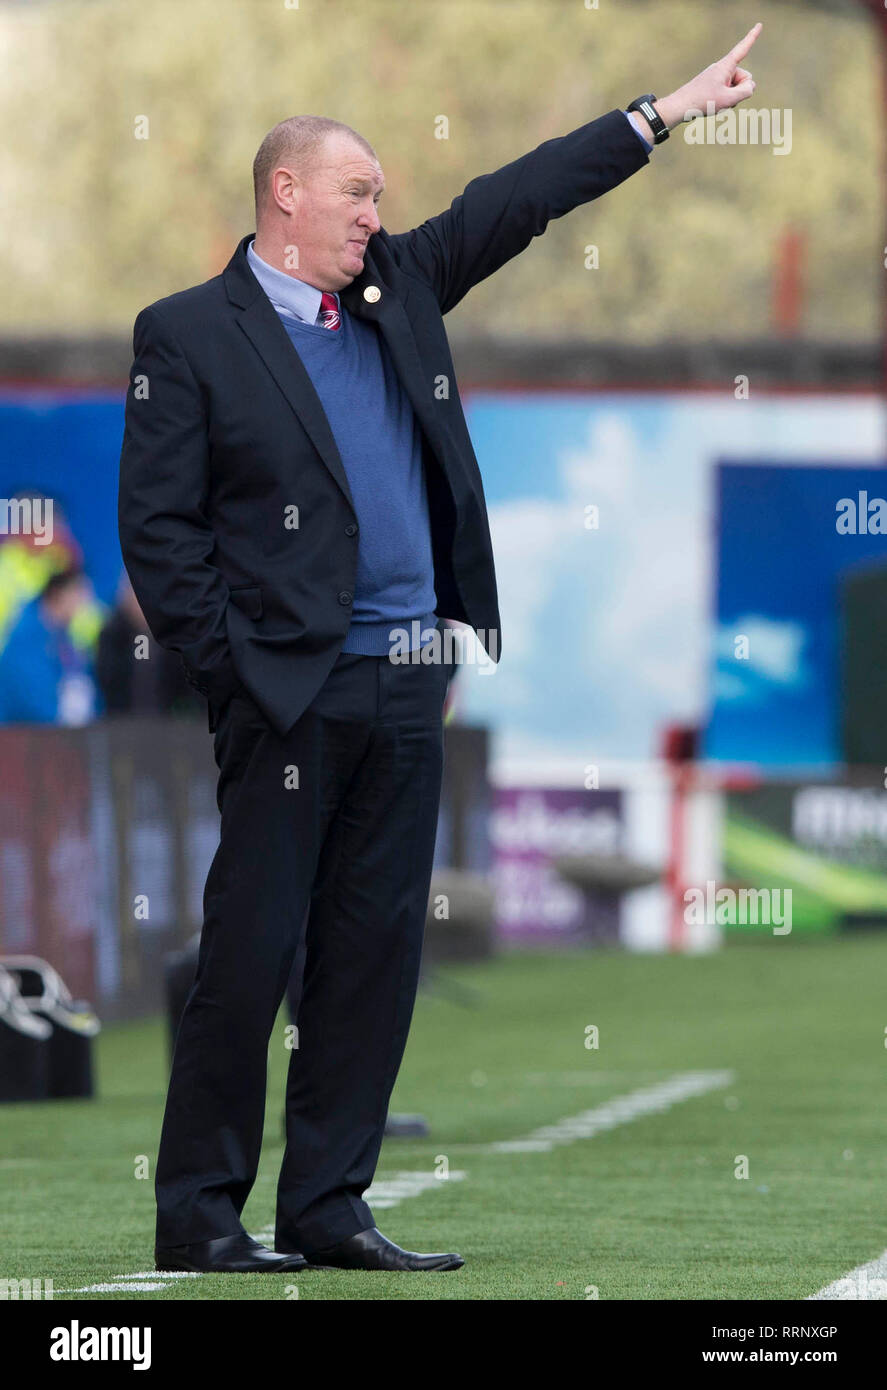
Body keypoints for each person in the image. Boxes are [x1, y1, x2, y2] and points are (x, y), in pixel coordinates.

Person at [118, 24, 761, 1276]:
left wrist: (664, 112)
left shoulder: (397, 289)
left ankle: (327, 1209)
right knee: (251, 957)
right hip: (289, 692)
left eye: (380, 196)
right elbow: (158, 529)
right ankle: (200, 1213)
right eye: (357, 191)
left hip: (411, 680)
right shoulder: (187, 334)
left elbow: (515, 198)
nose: (377, 212)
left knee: (371, 956)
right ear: (285, 194)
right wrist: (241, 673)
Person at [0, 567, 97, 726]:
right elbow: (31, 699)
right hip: (21, 737)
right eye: (78, 592)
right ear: (59, 594)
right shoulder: (26, 638)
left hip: (52, 736)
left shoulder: (64, 638)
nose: (84, 600)